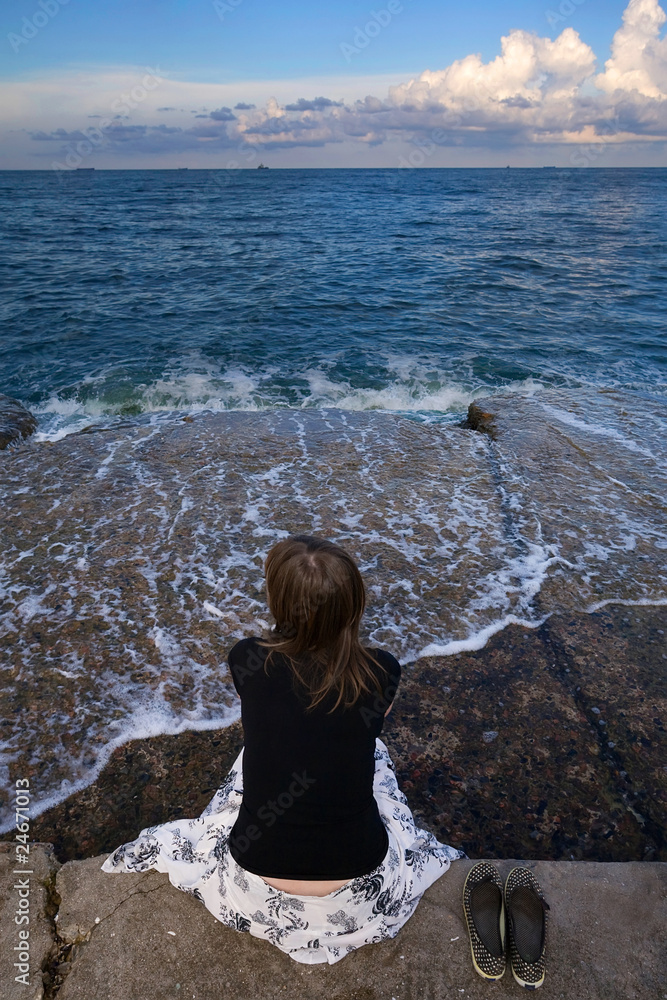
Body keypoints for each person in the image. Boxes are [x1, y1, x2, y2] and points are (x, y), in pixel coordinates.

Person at [102, 534, 464, 964]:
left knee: (252, 756)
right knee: (375, 755)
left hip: (254, 886)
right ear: (354, 604)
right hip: (362, 893)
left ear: (277, 600)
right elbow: (363, 724)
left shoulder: (246, 659)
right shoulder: (382, 670)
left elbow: (272, 709)